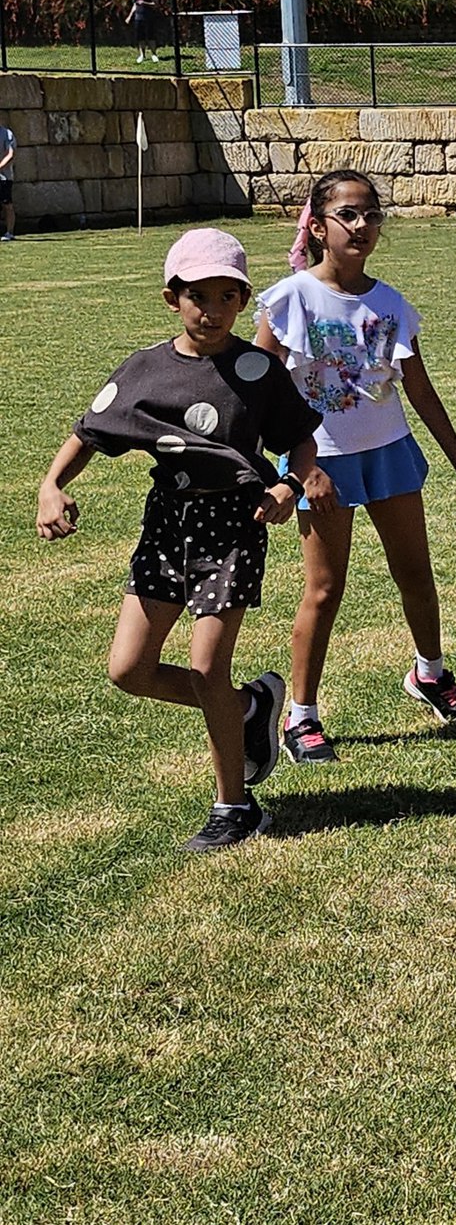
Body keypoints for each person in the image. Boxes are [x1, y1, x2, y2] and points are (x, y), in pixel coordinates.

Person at [36, 229, 324, 851]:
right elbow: (89, 431)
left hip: (234, 526)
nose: (213, 310)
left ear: (244, 301)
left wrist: (289, 485)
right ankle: (248, 709)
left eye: (228, 296)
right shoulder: (145, 368)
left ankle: (235, 806)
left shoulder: (258, 371)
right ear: (172, 297)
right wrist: (51, 485)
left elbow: (300, 439)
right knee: (129, 669)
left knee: (204, 668)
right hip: (168, 524)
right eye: (199, 295)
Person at [254, 169, 456, 764]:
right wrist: (288, 470)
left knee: (415, 572)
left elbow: (421, 391)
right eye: (348, 215)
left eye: (371, 214)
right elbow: (255, 389)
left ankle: (430, 674)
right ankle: (301, 716)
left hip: (390, 453)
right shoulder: (291, 299)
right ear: (316, 225)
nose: (362, 225)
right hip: (321, 463)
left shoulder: (391, 304)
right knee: (325, 587)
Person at [127, 0, 161, 64]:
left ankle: (154, 54)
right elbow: (135, 5)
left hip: (148, 17)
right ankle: (142, 55)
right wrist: (129, 16)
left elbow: (155, 4)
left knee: (151, 36)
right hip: (138, 18)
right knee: (140, 37)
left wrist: (145, 3)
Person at [0, 119, 14, 241]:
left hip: (4, 176)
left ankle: (9, 232)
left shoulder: (6, 133)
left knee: (6, 204)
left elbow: (10, 154)